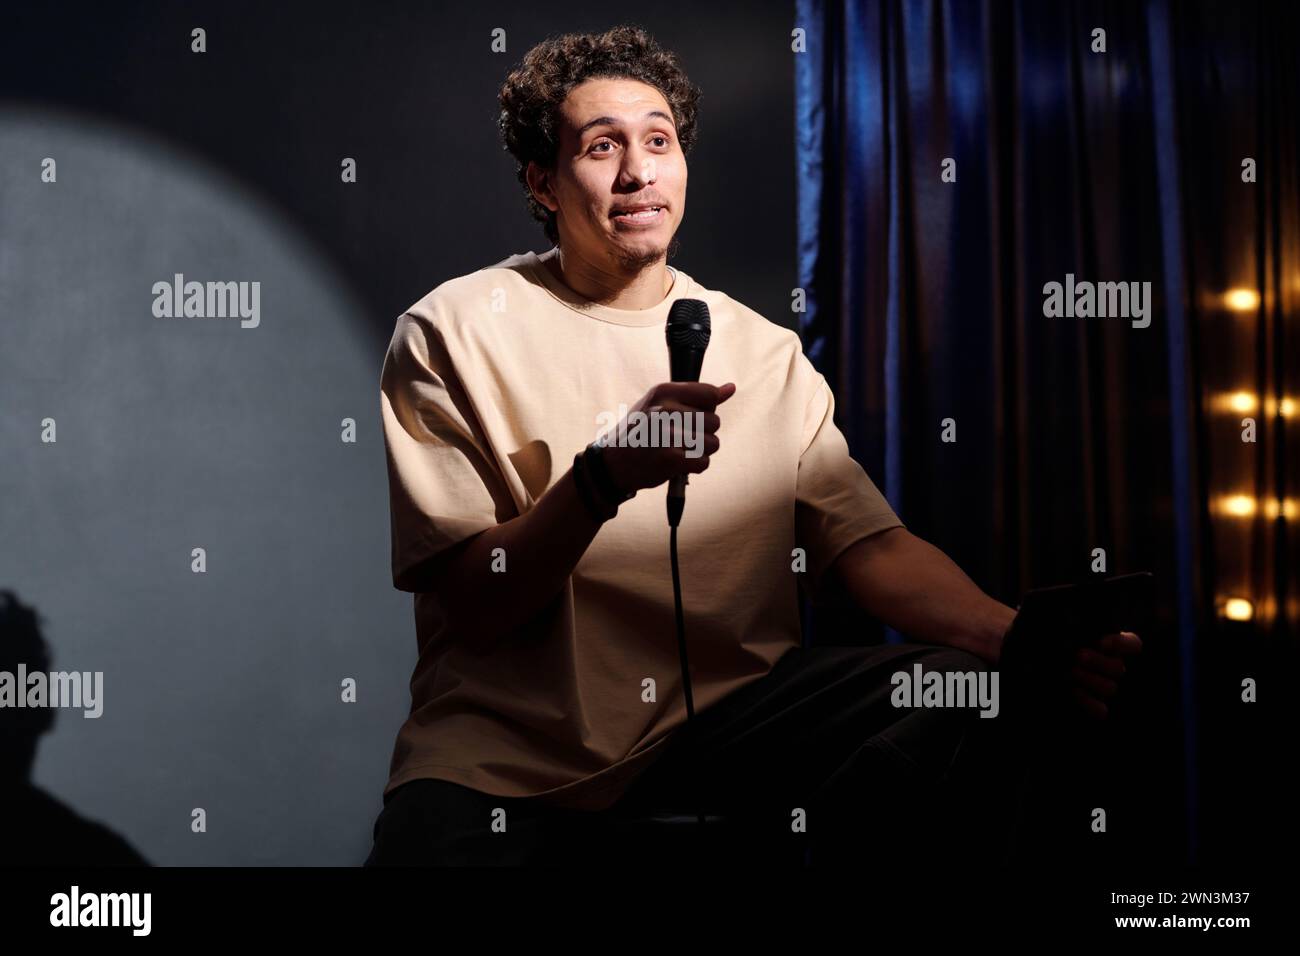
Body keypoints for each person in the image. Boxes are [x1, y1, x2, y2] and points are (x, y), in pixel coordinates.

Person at [363, 24, 1141, 867]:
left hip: (725, 725)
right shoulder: (452, 330)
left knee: (974, 691)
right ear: (543, 183)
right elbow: (477, 605)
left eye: (658, 141)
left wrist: (1014, 636)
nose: (638, 172)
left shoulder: (765, 353)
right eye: (601, 147)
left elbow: (869, 548)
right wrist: (603, 478)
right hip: (507, 760)